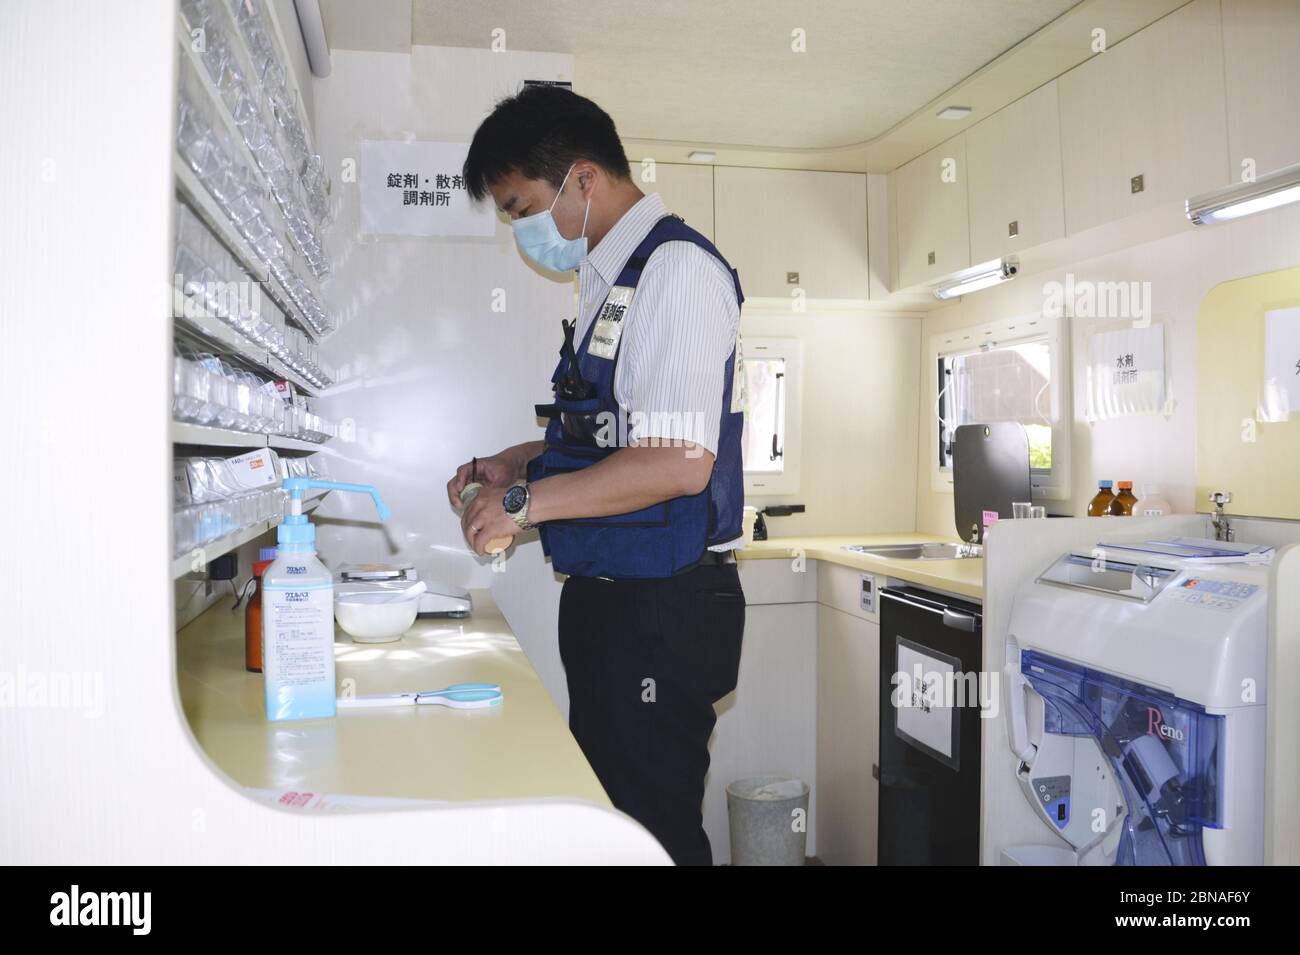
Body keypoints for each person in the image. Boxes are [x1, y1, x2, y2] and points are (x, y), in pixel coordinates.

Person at [448, 85, 746, 866]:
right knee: (614, 824)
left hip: (661, 606)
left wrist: (522, 502)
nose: (521, 231)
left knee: (650, 833)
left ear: (583, 179)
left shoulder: (675, 271)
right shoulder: (605, 281)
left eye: (522, 208)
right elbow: (604, 437)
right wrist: (511, 464)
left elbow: (679, 462)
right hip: (612, 601)